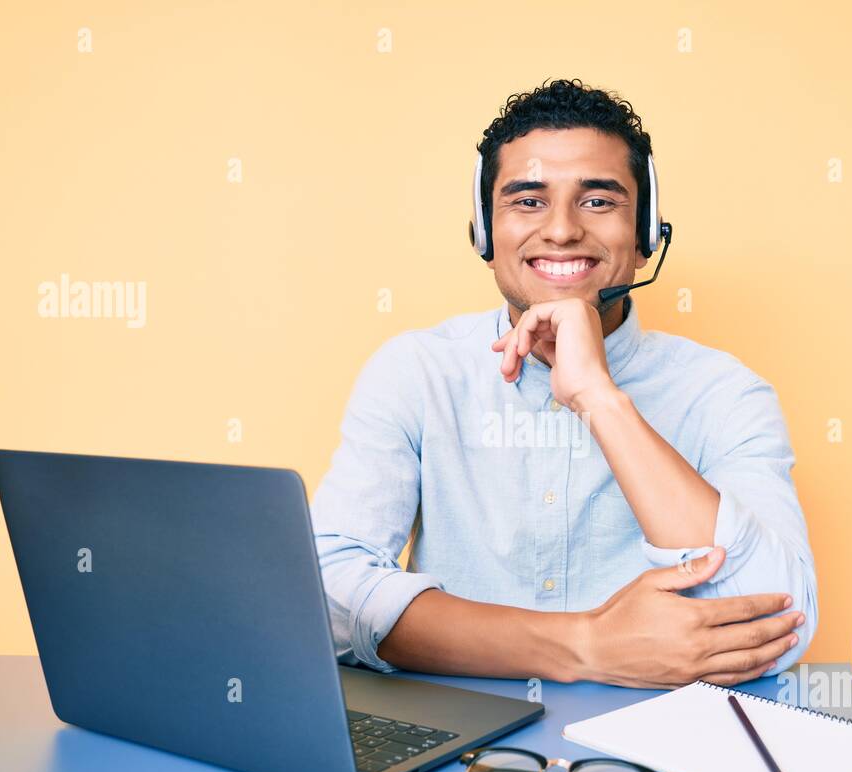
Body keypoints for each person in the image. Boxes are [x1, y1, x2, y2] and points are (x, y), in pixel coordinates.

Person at [311, 78, 818, 689]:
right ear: (483, 232)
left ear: (646, 232)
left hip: (662, 741)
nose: (560, 230)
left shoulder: (726, 394)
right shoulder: (415, 372)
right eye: (527, 201)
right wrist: (584, 645)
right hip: (459, 740)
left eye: (598, 201)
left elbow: (777, 621)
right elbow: (328, 594)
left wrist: (598, 398)